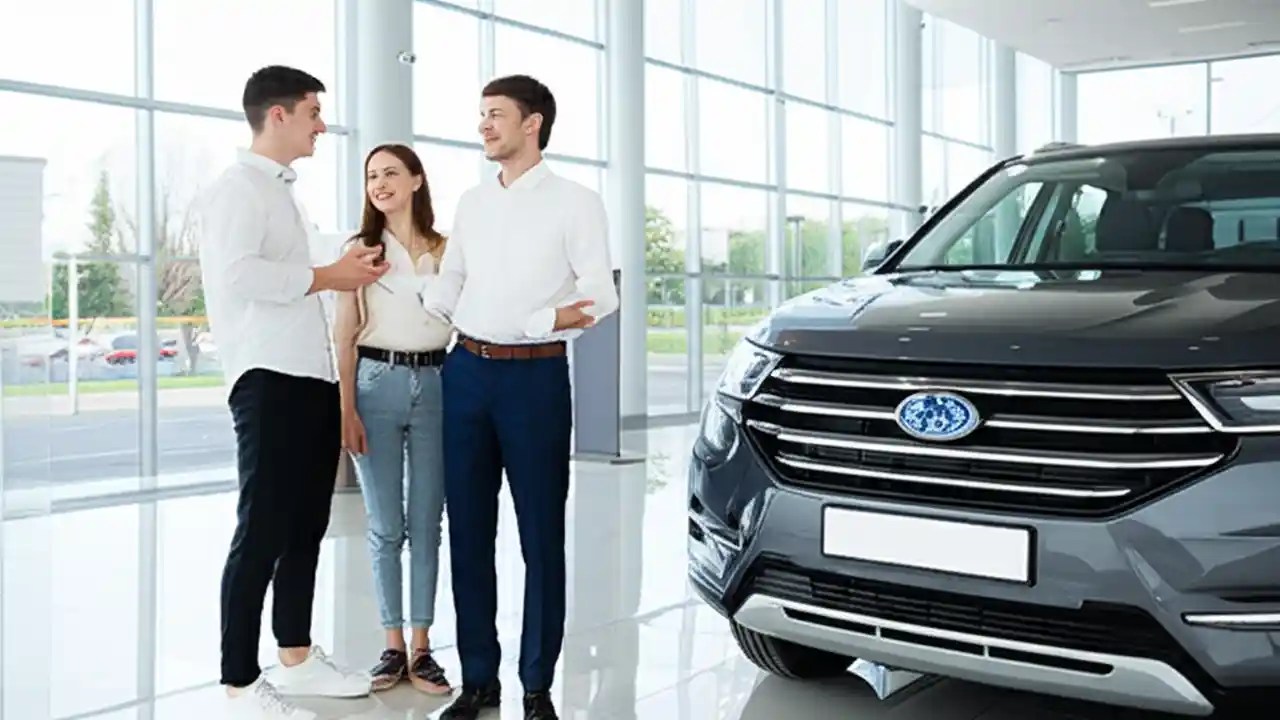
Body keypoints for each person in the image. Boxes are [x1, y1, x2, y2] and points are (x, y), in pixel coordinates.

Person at [423, 74, 618, 720]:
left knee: (540, 535)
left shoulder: (576, 202)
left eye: (495, 114)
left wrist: (540, 322)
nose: (483, 125)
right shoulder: (473, 203)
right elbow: (454, 275)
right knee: (468, 533)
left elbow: (601, 293)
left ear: (532, 123)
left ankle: (537, 685)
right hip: (465, 374)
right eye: (481, 114)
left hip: (535, 380)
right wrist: (430, 301)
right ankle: (479, 680)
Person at [198, 65, 386, 719]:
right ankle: (238, 683)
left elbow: (303, 265)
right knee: (263, 528)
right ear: (277, 115)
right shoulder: (237, 189)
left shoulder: (283, 194)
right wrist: (328, 274)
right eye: (312, 112)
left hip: (311, 376)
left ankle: (297, 657)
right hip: (267, 377)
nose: (321, 126)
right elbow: (239, 275)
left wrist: (346, 262)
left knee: (307, 523)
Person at [333, 143, 453, 695]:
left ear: (416, 180)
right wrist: (346, 409)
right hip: (375, 384)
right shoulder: (360, 251)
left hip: (438, 383)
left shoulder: (448, 250)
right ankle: (392, 646)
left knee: (427, 521)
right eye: (371, 176)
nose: (379, 184)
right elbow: (343, 333)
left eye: (390, 174)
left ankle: (423, 648)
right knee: (385, 525)